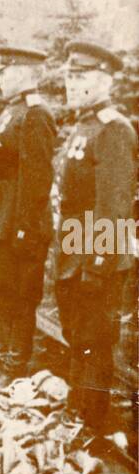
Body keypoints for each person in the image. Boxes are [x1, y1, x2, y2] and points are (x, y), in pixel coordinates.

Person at [55, 40, 137, 430]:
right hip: (76, 242)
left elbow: (113, 207)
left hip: (96, 250)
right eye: (70, 75)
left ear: (105, 79)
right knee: (77, 334)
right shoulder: (85, 124)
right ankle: (76, 411)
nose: (72, 82)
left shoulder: (113, 129)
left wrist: (98, 264)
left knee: (94, 341)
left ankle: (91, 422)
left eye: (82, 75)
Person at [0, 46, 57, 374]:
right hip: (0, 212)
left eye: (5, 72)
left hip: (18, 217)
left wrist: (25, 225)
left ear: (24, 74)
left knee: (21, 294)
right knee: (2, 287)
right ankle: (4, 348)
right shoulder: (13, 110)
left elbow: (36, 179)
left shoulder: (35, 113)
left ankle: (17, 358)